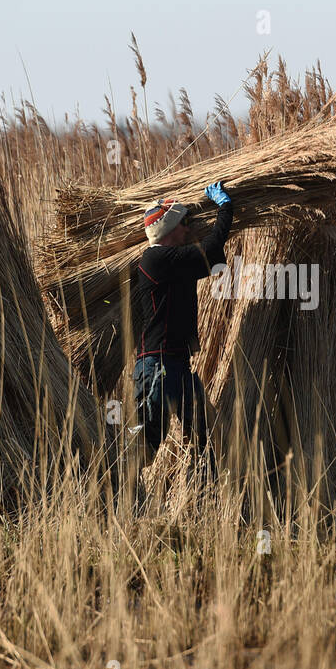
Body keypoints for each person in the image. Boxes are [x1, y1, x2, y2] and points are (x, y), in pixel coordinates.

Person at [132, 181, 233, 468]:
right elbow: (212, 248)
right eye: (183, 224)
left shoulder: (173, 263)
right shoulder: (156, 259)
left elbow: (216, 264)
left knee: (206, 436)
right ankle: (116, 497)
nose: (188, 229)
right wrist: (225, 208)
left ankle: (207, 499)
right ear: (168, 229)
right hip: (156, 368)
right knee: (143, 444)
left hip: (177, 365)